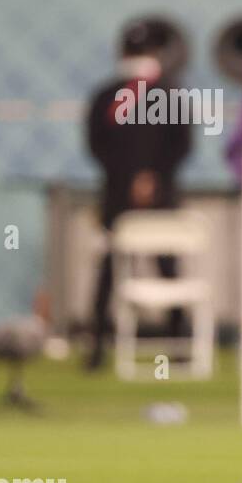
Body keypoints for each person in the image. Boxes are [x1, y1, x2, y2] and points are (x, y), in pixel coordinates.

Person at [84, 24, 193, 371]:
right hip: (117, 199)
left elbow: (181, 144)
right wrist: (126, 178)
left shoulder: (170, 94)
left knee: (168, 267)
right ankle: (97, 346)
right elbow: (96, 142)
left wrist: (154, 178)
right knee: (107, 273)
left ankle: (178, 342)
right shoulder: (107, 96)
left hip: (161, 199)